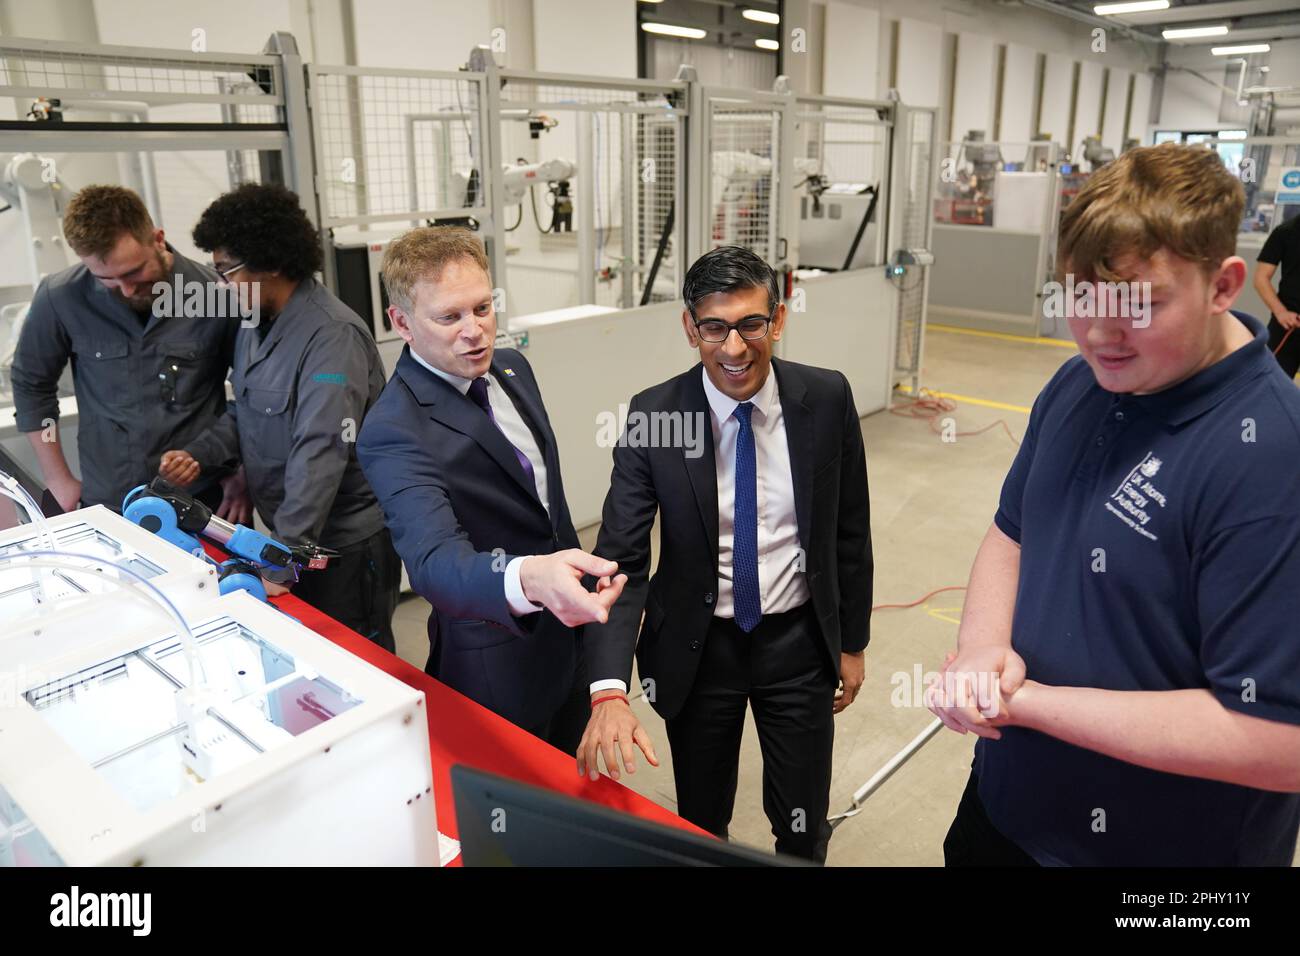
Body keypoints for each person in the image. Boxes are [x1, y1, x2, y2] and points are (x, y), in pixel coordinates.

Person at [928, 143, 1300, 867]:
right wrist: (978, 650)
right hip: (1005, 813)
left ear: (1224, 285)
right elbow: (1012, 535)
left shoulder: (1268, 459)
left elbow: (1278, 740)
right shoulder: (1079, 384)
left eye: (1137, 305)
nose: (1099, 335)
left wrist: (1027, 703)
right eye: (1079, 299)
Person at [578, 245, 873, 863]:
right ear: (690, 327)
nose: (734, 348)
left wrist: (851, 642)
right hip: (696, 648)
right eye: (714, 328)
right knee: (700, 823)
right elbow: (622, 561)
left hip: (797, 645)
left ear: (779, 319)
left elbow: (849, 528)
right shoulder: (654, 416)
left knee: (801, 824)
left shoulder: (826, 398)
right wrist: (608, 687)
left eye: (750, 325)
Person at [356, 226, 625, 749]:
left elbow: (542, 504)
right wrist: (531, 578)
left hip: (570, 640)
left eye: (482, 308)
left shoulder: (512, 368)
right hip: (496, 666)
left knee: (576, 791)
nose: (474, 331)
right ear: (401, 323)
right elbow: (436, 563)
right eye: (449, 317)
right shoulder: (394, 428)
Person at [157, 184, 399, 651]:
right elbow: (246, 410)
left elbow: (321, 450)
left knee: (358, 660)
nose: (221, 283)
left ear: (269, 263)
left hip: (340, 547)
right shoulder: (255, 322)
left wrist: (277, 559)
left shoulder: (331, 336)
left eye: (226, 269)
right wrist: (200, 455)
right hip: (292, 537)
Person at [10, 184, 246, 515]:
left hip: (204, 499)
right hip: (111, 502)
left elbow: (253, 398)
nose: (126, 288)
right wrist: (57, 477)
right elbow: (32, 387)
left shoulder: (217, 295)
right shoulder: (60, 297)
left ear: (158, 239)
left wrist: (241, 469)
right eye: (107, 278)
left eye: (135, 271)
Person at [1254, 211, 1300, 378]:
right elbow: (1261, 278)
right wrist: (1281, 312)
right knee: (1273, 383)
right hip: (1287, 325)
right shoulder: (1285, 232)